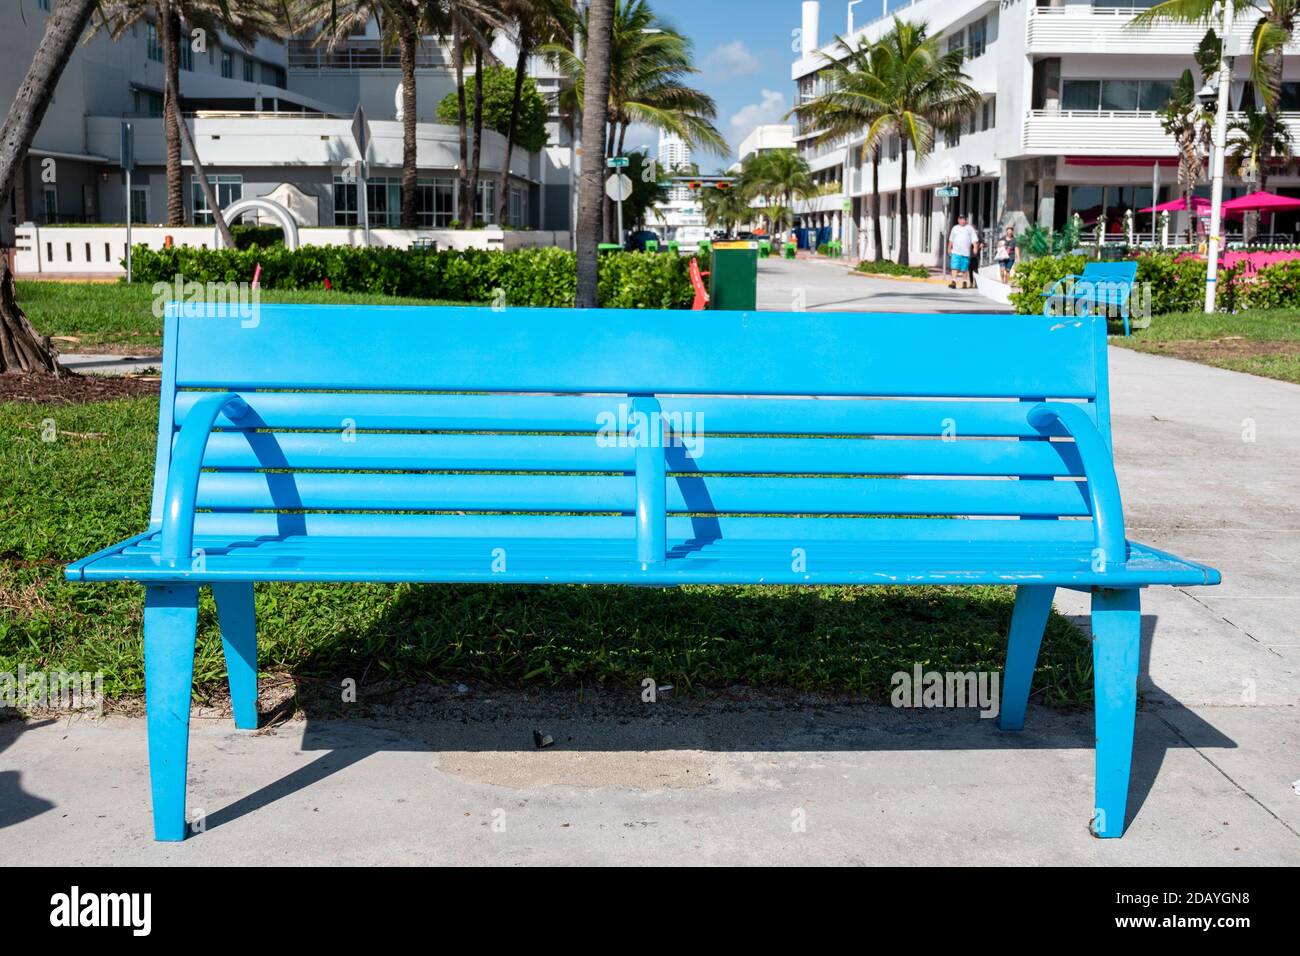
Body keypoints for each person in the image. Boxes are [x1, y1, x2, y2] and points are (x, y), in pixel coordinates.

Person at [947, 213, 979, 289]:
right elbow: (951, 239)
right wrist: (949, 248)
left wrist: (975, 248)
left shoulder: (970, 228)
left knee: (964, 268)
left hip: (966, 253)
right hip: (955, 252)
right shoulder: (955, 228)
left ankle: (964, 281)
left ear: (966, 220)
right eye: (960, 219)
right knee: (954, 266)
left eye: (963, 219)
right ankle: (953, 281)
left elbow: (974, 239)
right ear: (958, 220)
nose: (962, 220)